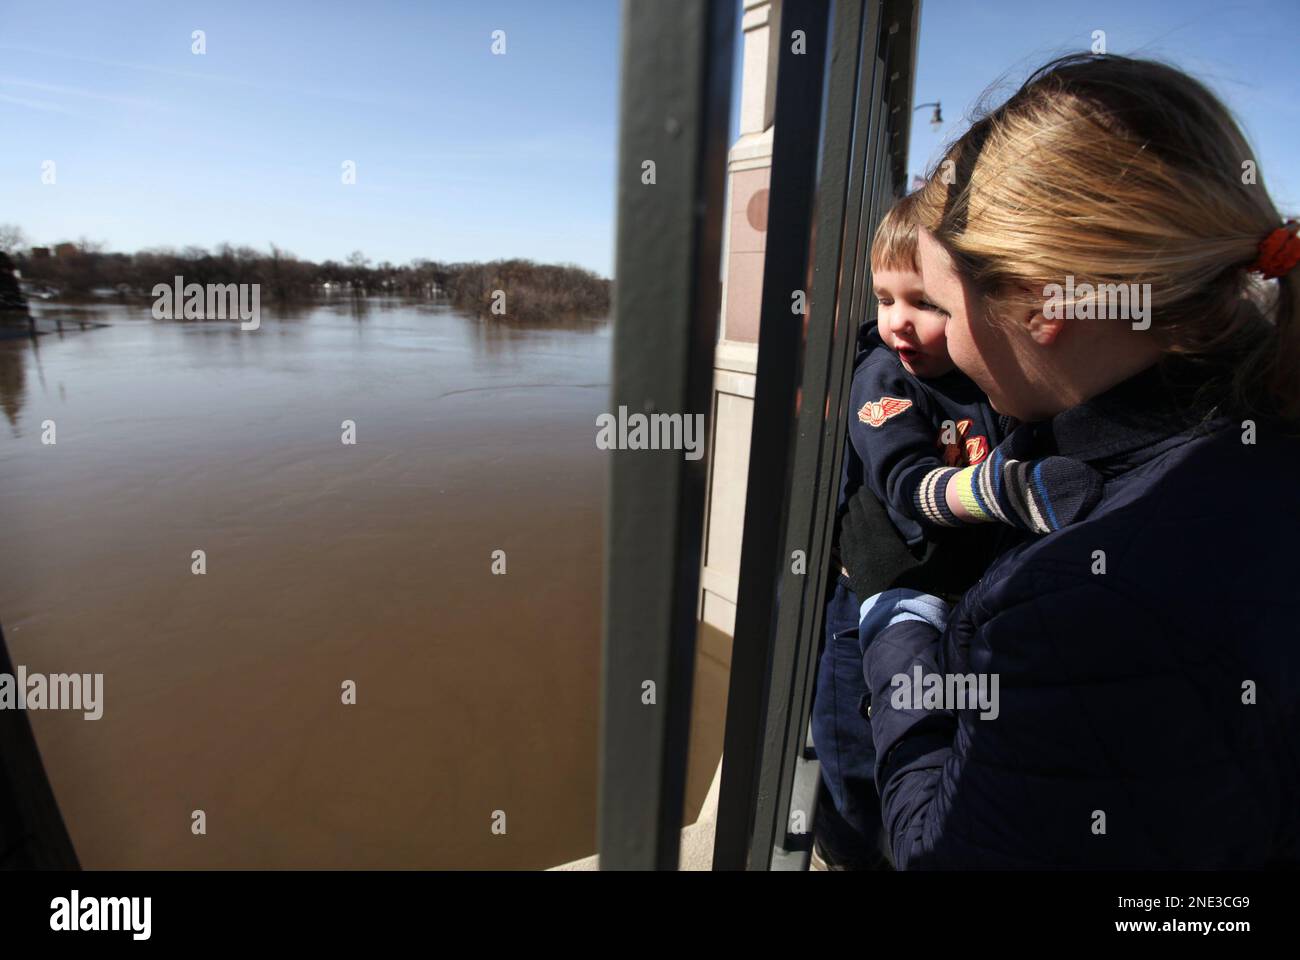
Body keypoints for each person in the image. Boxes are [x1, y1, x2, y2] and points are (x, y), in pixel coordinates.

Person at [845, 52, 1300, 868]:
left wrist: (895, 617)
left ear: (1045, 304)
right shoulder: (1262, 410)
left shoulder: (1082, 608)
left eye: (945, 307)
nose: (939, 337)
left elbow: (941, 853)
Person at [811, 194, 1103, 869]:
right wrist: (1008, 491)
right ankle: (850, 844)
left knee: (942, 724)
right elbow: (907, 487)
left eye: (926, 305)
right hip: (874, 602)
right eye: (884, 300)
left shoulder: (987, 375)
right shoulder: (883, 377)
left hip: (962, 596)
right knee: (851, 740)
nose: (897, 325)